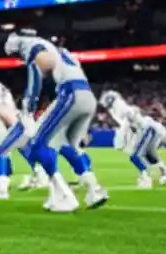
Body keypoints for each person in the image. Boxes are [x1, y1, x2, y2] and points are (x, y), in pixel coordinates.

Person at [6, 31, 108, 212]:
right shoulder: (60, 51)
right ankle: (94, 189)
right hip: (87, 95)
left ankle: (64, 195)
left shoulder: (31, 45)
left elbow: (40, 69)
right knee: (68, 145)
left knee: (37, 144)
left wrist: (29, 103)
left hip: (70, 93)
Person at [100, 90, 166, 188]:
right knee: (149, 155)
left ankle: (146, 177)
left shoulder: (122, 109)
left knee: (135, 156)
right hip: (147, 129)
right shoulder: (120, 109)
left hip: (146, 129)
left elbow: (133, 123)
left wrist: (123, 139)